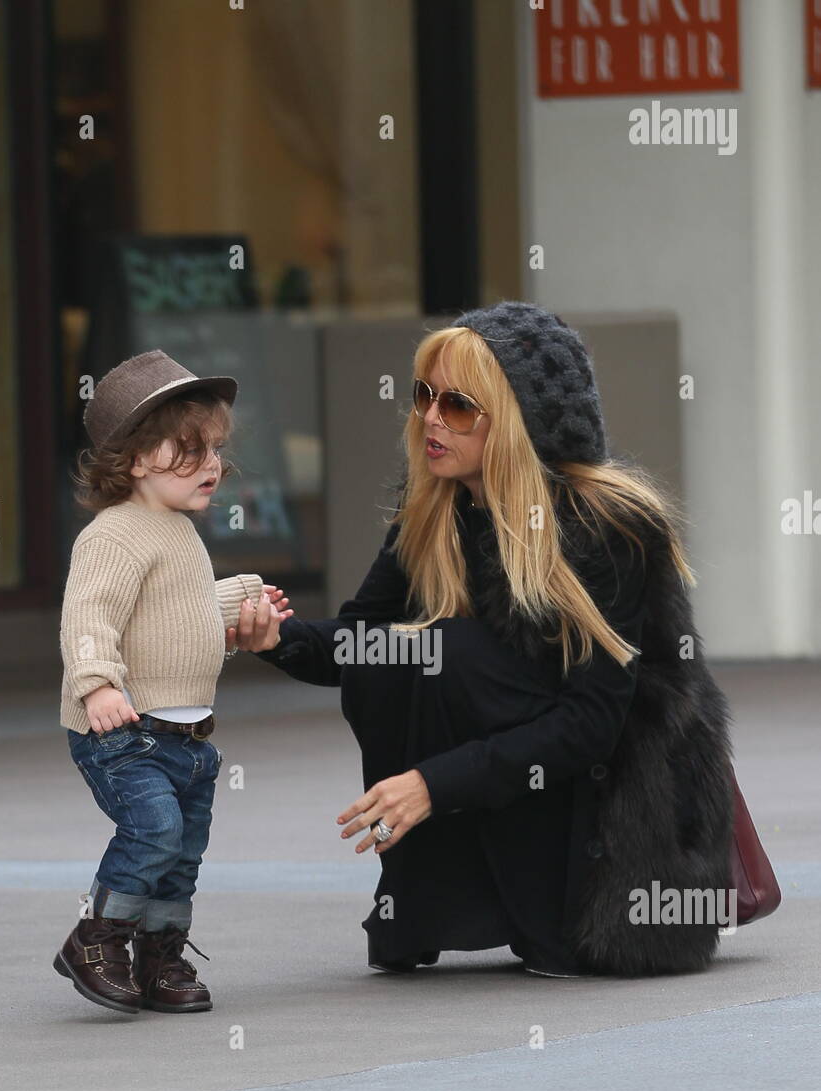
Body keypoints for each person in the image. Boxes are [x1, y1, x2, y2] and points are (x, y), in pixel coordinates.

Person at [235, 302, 735, 978]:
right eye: (424, 396)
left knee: (452, 653)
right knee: (404, 653)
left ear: (518, 420)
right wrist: (273, 635)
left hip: (617, 819)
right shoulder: (437, 509)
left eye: (460, 406)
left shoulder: (604, 524)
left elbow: (592, 724)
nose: (432, 419)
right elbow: (360, 643)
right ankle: (441, 902)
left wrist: (431, 785)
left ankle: (543, 911)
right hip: (524, 769)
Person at [55, 349, 286, 1015]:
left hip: (187, 739)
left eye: (214, 450)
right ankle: (97, 939)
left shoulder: (178, 532)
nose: (211, 464)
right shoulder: (115, 536)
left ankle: (161, 956)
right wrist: (98, 684)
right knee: (152, 831)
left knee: (181, 854)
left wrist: (240, 605)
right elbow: (90, 615)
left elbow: (174, 616)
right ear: (132, 461)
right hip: (125, 732)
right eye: (189, 449)